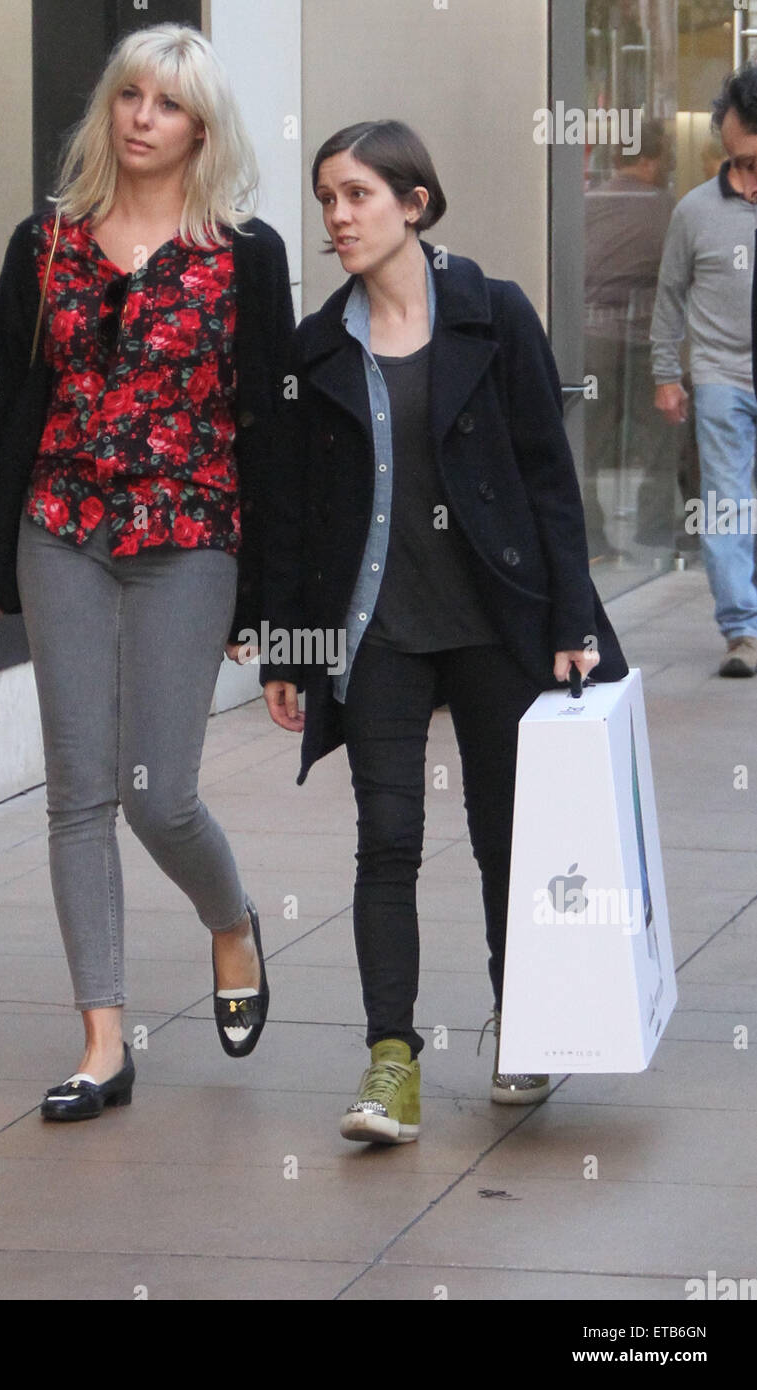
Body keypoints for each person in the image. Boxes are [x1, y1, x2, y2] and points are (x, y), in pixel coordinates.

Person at [0, 24, 293, 1120]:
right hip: (62, 529)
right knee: (79, 791)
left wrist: (272, 597)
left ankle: (230, 920)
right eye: (128, 95)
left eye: (166, 104)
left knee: (157, 794)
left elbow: (268, 428)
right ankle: (103, 1040)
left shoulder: (245, 253)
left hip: (190, 537)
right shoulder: (46, 243)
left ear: (200, 126)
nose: (141, 118)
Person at [260, 120, 628, 1144]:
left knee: (505, 837)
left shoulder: (492, 315)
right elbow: (290, 512)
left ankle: (524, 1022)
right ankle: (390, 1064)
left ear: (413, 203)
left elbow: (547, 483)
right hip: (376, 628)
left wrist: (567, 618)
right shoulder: (317, 343)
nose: (335, 215)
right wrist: (289, 644)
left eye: (356, 195)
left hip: (492, 622)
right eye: (325, 197)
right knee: (386, 840)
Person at [651, 63, 757, 677]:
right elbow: (669, 297)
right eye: (733, 157)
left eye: (753, 158)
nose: (741, 172)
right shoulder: (694, 211)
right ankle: (741, 630)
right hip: (720, 375)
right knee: (727, 503)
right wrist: (668, 373)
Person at [582, 121, 679, 556]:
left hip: (587, 337)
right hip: (640, 341)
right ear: (651, 160)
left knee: (587, 443)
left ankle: (590, 535)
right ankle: (654, 529)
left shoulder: (587, 203)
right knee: (662, 433)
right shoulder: (664, 209)